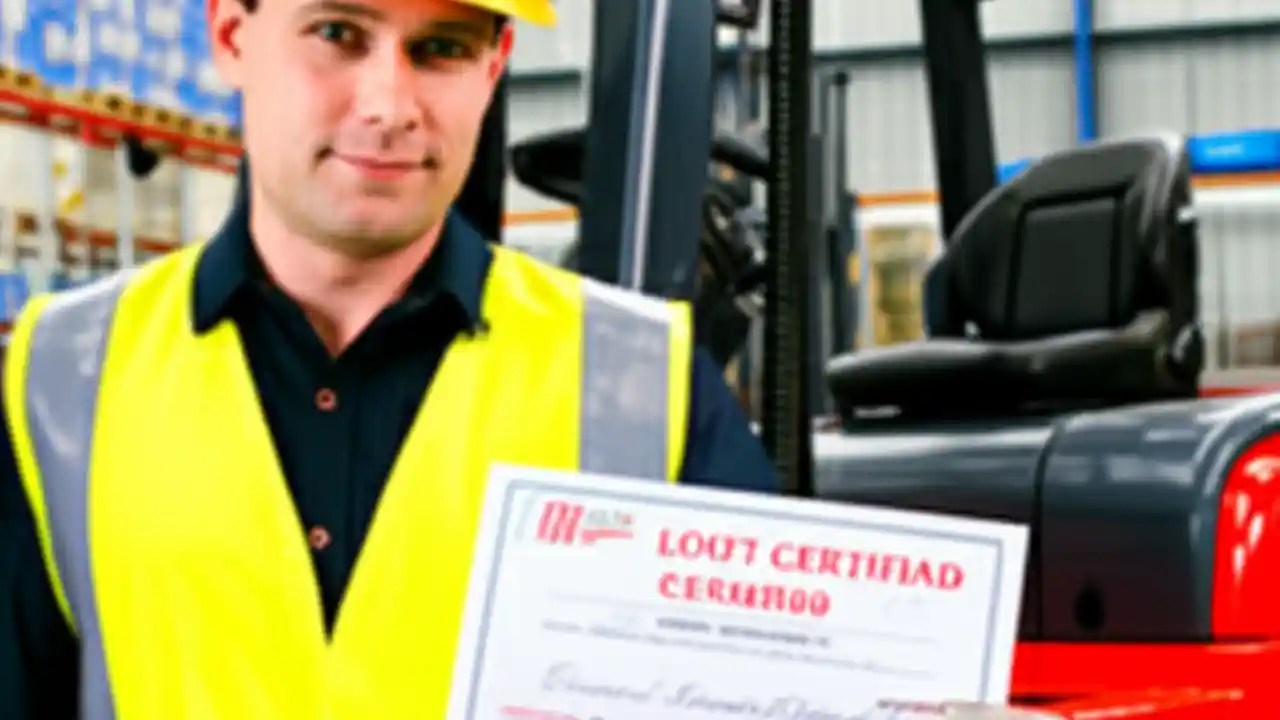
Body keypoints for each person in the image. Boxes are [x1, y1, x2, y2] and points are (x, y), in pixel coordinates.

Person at [0, 0, 779, 716]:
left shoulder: (646, 382)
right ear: (232, 37)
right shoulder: (63, 374)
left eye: (440, 49)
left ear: (493, 67)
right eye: (338, 35)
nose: (388, 107)